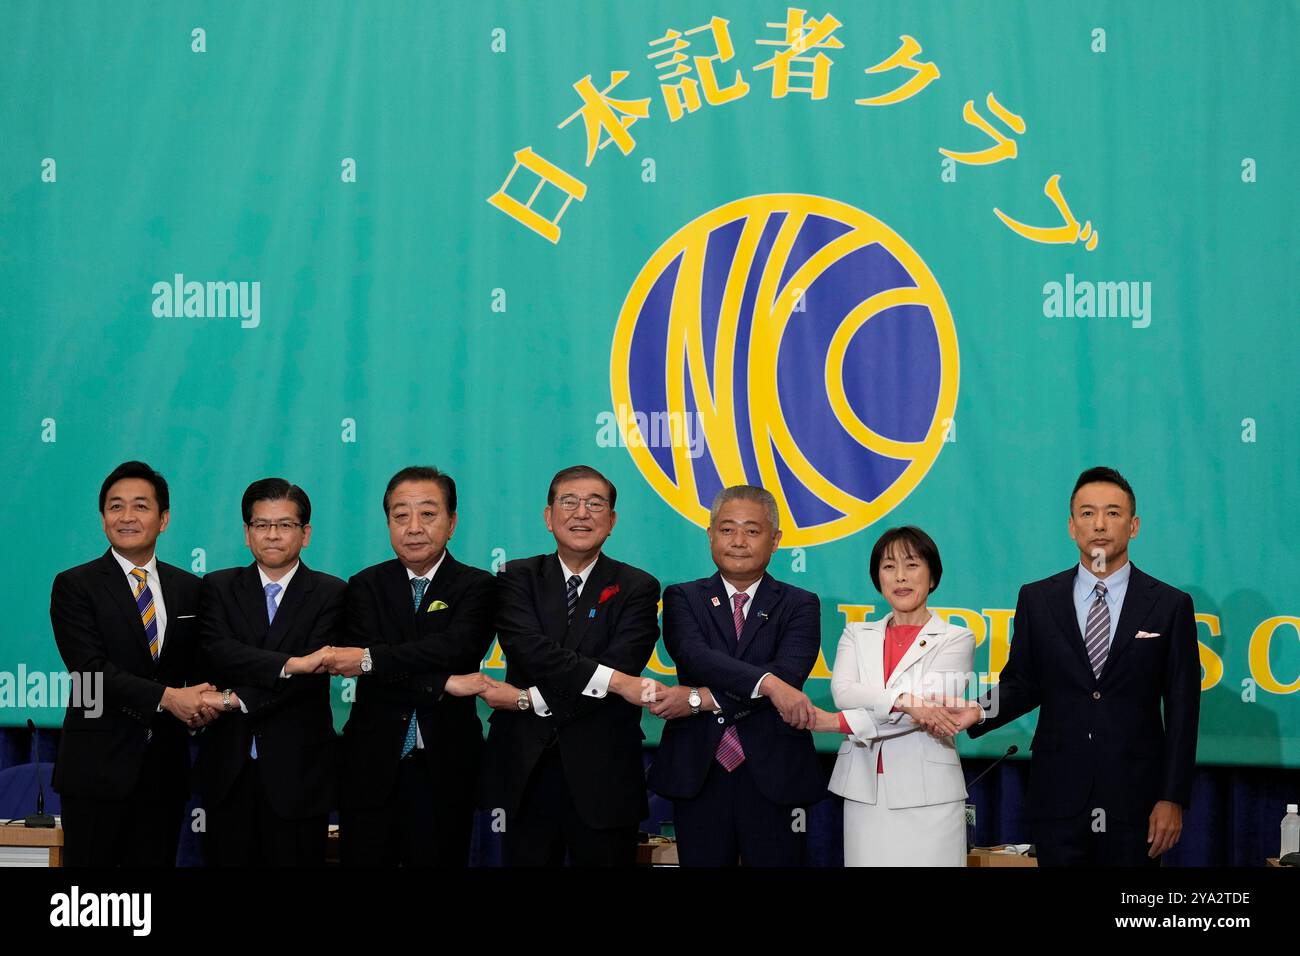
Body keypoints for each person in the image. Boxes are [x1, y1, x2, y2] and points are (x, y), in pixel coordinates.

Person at [967, 466, 1200, 866]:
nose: (1100, 524)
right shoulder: (1038, 599)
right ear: (1072, 526)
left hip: (1136, 801)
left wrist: (1172, 796)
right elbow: (1022, 683)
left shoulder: (1169, 605)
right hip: (1058, 795)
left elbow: (1182, 708)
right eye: (1087, 513)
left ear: (1134, 525)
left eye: (1113, 513)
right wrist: (973, 711)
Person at [478, 465, 662, 866]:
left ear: (611, 521)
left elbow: (624, 660)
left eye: (595, 504)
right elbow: (530, 650)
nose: (582, 513)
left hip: (606, 771)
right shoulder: (515, 577)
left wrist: (530, 699)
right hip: (526, 770)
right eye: (570, 502)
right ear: (548, 517)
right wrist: (613, 681)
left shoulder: (638, 587)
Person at [646, 485, 825, 866]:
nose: (739, 541)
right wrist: (769, 685)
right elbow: (696, 658)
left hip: (774, 771)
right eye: (727, 529)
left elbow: (788, 673)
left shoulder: (800, 604)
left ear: (775, 540)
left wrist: (698, 700)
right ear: (711, 536)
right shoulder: (682, 597)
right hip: (699, 770)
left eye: (752, 530)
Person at [331, 466, 496, 866]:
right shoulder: (364, 585)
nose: (414, 527)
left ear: (452, 523)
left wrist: (373, 659)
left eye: (428, 514)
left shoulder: (478, 586)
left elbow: (457, 647)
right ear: (388, 523)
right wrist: (443, 683)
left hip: (447, 766)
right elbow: (363, 663)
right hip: (370, 766)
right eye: (400, 515)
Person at [50, 461, 211, 866]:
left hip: (164, 772)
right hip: (96, 770)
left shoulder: (190, 589)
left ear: (164, 519)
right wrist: (169, 698)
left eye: (140, 506)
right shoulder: (75, 585)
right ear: (103, 517)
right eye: (115, 506)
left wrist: (205, 704)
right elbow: (88, 670)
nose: (126, 517)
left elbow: (200, 664)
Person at [194, 478, 344, 866]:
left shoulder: (332, 593)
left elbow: (313, 674)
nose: (272, 535)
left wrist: (231, 699)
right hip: (229, 771)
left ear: (305, 534)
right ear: (247, 533)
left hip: (300, 774)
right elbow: (220, 654)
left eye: (285, 525)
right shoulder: (218, 587)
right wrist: (290, 663)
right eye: (261, 525)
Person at [817, 526, 980, 867]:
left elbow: (931, 709)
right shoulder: (856, 633)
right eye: (889, 567)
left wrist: (838, 724)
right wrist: (906, 700)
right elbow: (844, 692)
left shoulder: (956, 638)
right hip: (863, 790)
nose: (900, 577)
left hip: (929, 796)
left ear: (932, 576)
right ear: (878, 577)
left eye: (912, 565)